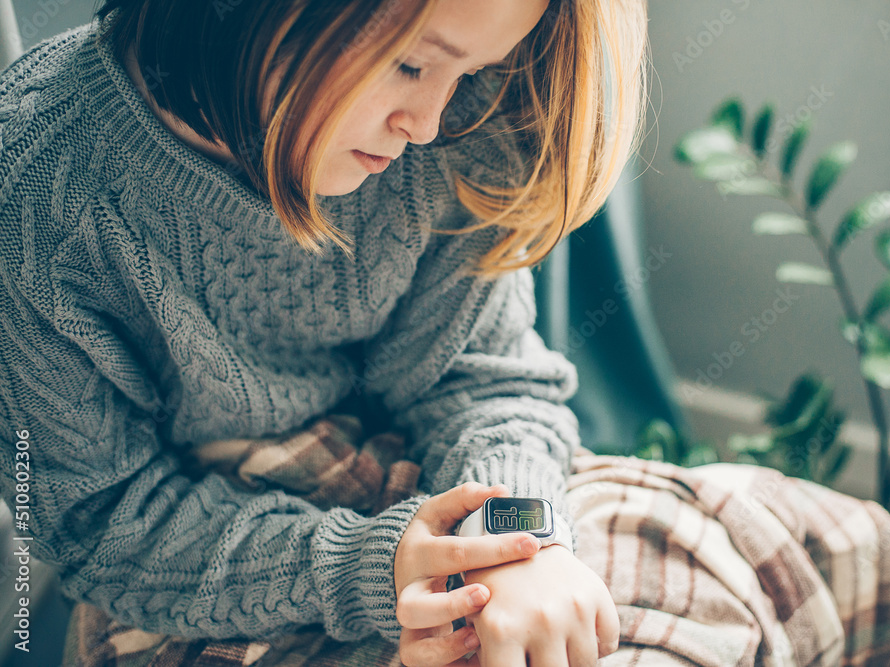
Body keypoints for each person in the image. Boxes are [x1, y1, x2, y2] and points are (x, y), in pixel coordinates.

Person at [0, 0, 648, 665]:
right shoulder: (35, 190)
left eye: (475, 70)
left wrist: (513, 540)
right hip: (209, 564)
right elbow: (99, 522)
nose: (425, 125)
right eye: (410, 64)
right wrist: (375, 564)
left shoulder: (461, 119)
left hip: (428, 487)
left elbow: (478, 373)